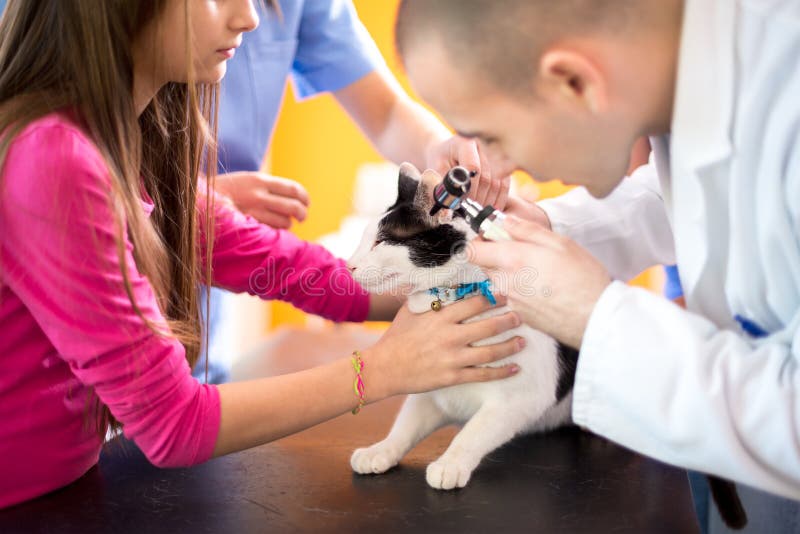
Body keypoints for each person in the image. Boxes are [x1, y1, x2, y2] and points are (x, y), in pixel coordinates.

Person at [0, 0, 524, 508]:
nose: (250, 18)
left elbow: (306, 274)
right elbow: (173, 424)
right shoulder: (55, 160)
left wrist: (497, 277)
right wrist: (384, 369)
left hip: (67, 489)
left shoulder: (135, 145)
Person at [394, 0, 800, 508]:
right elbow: (695, 199)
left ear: (574, 82)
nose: (495, 167)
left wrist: (599, 320)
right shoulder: (685, 74)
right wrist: (545, 225)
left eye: (491, 137)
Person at [196, 0, 514, 384]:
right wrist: (381, 371)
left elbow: (385, 112)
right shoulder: (187, 217)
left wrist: (436, 148)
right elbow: (184, 416)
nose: (251, 19)